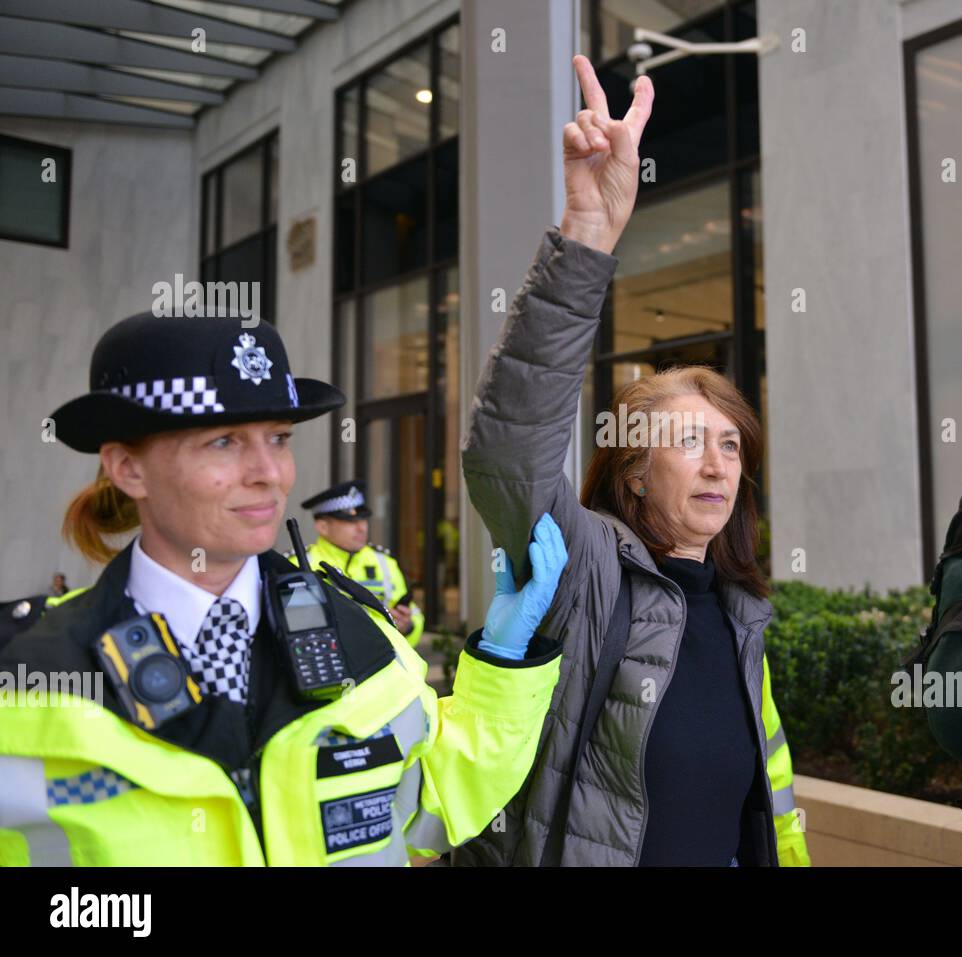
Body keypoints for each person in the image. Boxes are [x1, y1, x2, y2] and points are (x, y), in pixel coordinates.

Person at [0, 311, 566, 866]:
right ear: (128, 469)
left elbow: (439, 795)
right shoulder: (29, 680)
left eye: (277, 438)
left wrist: (502, 661)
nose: (269, 472)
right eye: (223, 441)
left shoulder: (358, 636)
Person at [452, 55, 809, 867]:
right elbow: (509, 450)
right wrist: (587, 233)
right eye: (690, 442)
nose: (719, 463)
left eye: (731, 445)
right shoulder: (585, 571)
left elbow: (774, 816)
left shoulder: (741, 616)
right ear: (635, 471)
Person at [291, 479, 425, 646]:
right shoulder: (297, 565)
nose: (362, 528)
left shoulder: (385, 562)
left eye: (363, 519)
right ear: (323, 526)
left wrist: (408, 627)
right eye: (351, 522)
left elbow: (414, 615)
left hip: (384, 663)